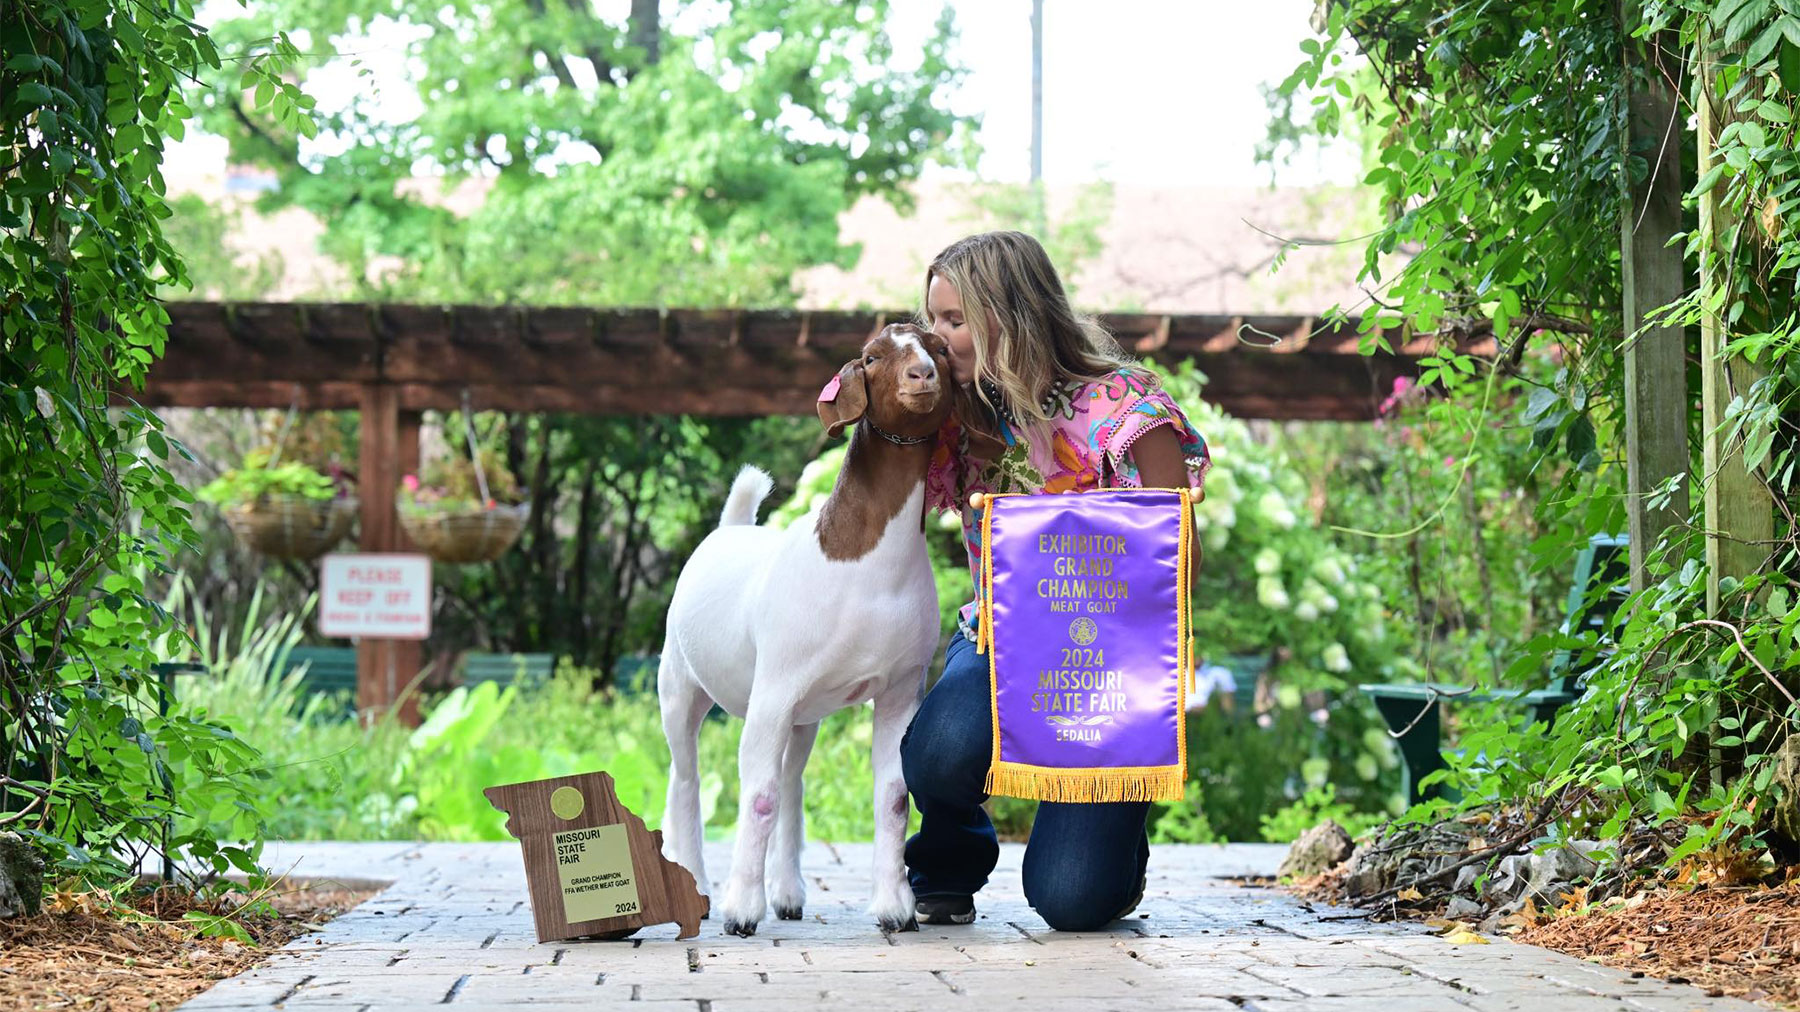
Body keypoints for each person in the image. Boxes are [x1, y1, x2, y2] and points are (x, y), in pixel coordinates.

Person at [904, 230, 1211, 931]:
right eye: (934, 319)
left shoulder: (1125, 408)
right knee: (941, 751)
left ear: (1005, 316)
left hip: (1103, 670)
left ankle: (1115, 841)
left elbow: (1176, 554)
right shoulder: (960, 416)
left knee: (1072, 904)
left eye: (954, 320)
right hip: (998, 644)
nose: (938, 336)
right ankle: (949, 864)